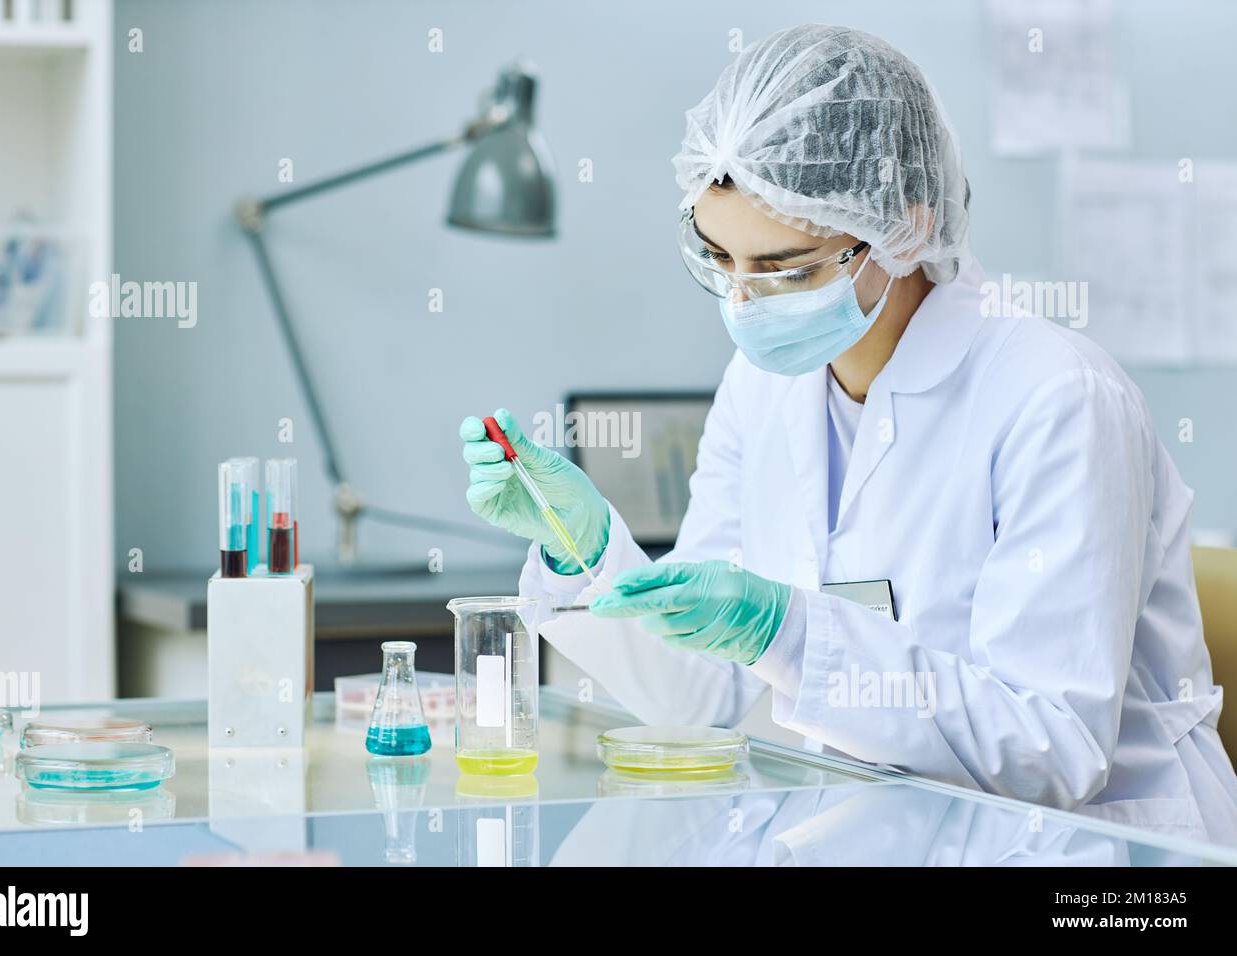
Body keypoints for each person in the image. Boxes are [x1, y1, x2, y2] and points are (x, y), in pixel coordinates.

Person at [457, 24, 1237, 844]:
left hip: (1098, 852)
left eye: (786, 267)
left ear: (905, 226)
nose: (743, 303)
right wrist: (586, 556)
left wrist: (788, 634)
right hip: (882, 827)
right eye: (719, 259)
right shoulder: (762, 385)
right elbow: (702, 697)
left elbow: (1049, 749)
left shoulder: (1056, 398)